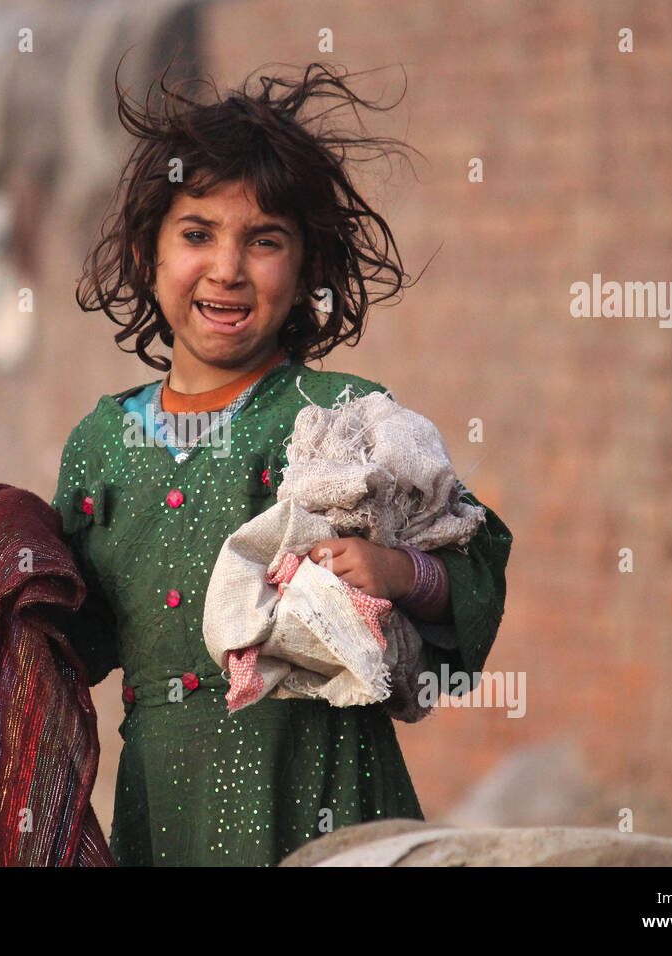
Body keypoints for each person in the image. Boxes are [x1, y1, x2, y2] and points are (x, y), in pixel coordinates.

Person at [51, 61, 513, 866]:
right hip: (166, 812)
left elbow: (474, 569)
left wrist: (402, 573)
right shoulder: (99, 444)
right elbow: (80, 645)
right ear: (146, 251)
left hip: (332, 799)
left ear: (305, 274)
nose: (227, 269)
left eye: (264, 242)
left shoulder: (347, 420)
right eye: (197, 234)